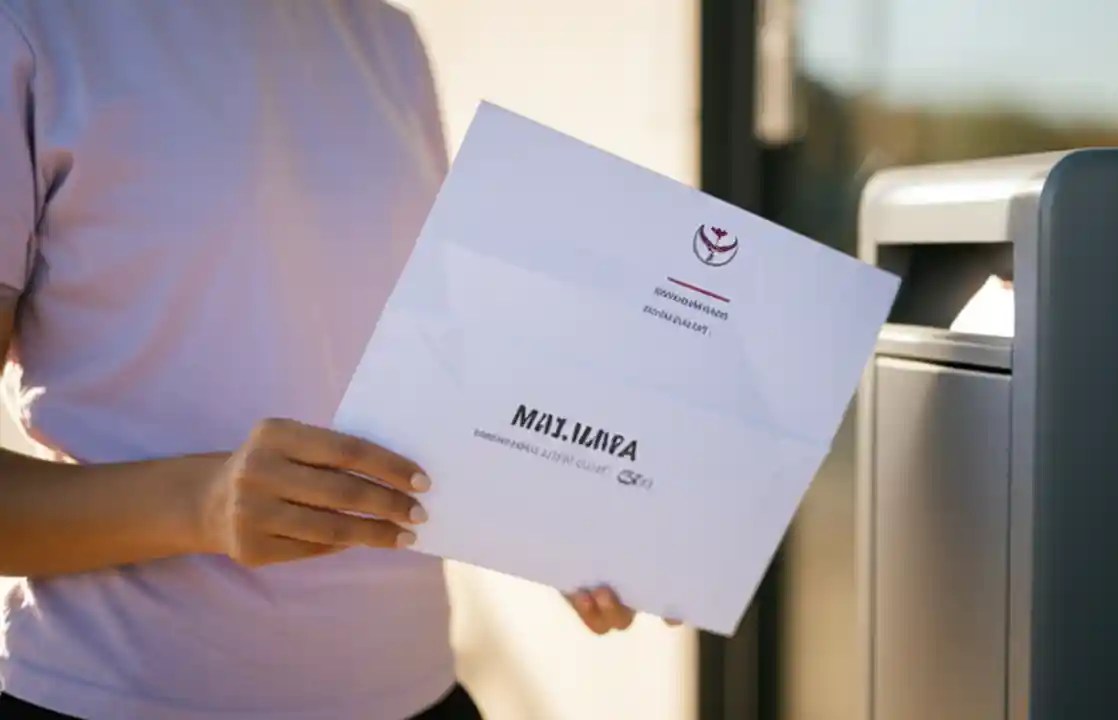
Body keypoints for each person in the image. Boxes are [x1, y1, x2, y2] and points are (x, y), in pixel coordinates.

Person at [0, 2, 652, 718]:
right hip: (122, 700)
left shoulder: (384, 34)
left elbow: (412, 367)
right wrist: (202, 503)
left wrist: (567, 507)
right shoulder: (34, 26)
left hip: (420, 695)